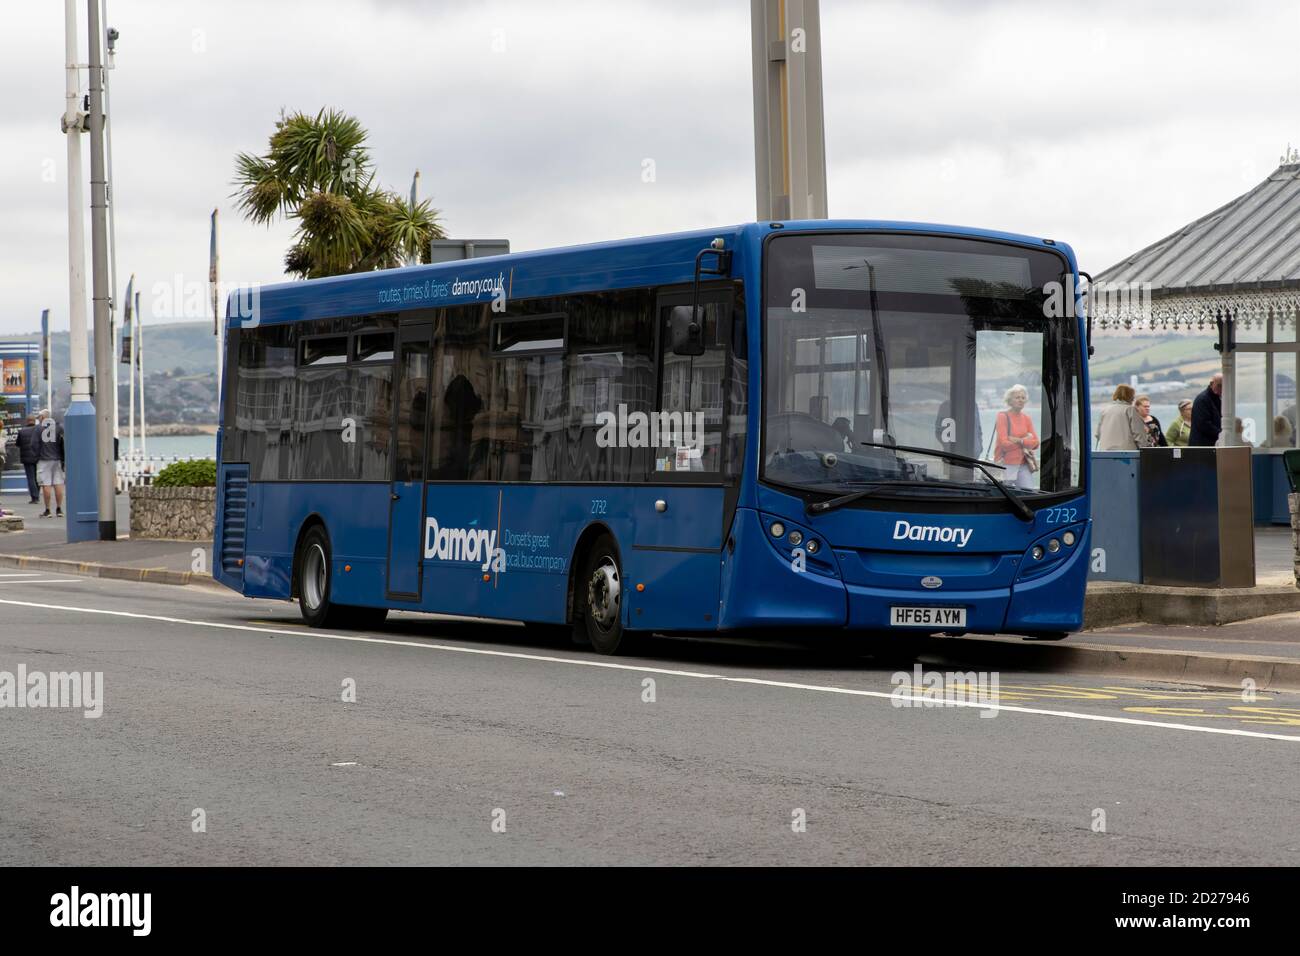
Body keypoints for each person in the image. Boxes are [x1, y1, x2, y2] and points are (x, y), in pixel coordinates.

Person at [993, 384, 1039, 489]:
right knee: (1002, 494)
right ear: (1010, 400)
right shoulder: (1002, 416)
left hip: (1024, 464)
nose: (1021, 400)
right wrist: (1026, 440)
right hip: (1006, 464)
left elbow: (1036, 443)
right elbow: (1004, 444)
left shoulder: (1026, 418)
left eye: (1023, 398)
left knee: (1029, 493)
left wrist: (1019, 441)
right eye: (1017, 397)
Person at [1095, 383, 1149, 450]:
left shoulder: (1104, 410)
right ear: (1129, 396)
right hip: (1126, 453)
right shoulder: (1130, 410)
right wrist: (1145, 451)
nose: (1133, 399)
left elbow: (1098, 434)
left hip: (1105, 452)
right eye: (1132, 396)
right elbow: (1139, 435)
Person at [35, 409, 66, 518]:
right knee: (58, 484)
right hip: (57, 459)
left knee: (46, 484)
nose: (39, 419)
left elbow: (33, 444)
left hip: (43, 459)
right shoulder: (59, 427)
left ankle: (48, 510)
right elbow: (63, 443)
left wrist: (37, 455)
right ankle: (59, 509)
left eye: (39, 417)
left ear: (43, 417)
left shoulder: (38, 428)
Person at [1189, 372, 1223, 446]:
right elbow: (1204, 424)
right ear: (1211, 384)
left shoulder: (1217, 398)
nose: (1221, 388)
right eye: (1219, 385)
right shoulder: (1202, 399)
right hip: (1202, 446)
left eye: (1223, 386)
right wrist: (1222, 434)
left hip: (1212, 443)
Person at [16, 415, 40, 503]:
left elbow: (18, 444)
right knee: (37, 477)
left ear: (27, 421)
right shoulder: (39, 430)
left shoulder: (21, 431)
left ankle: (35, 497)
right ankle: (37, 494)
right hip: (38, 457)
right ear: (34, 420)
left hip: (26, 458)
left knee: (31, 478)